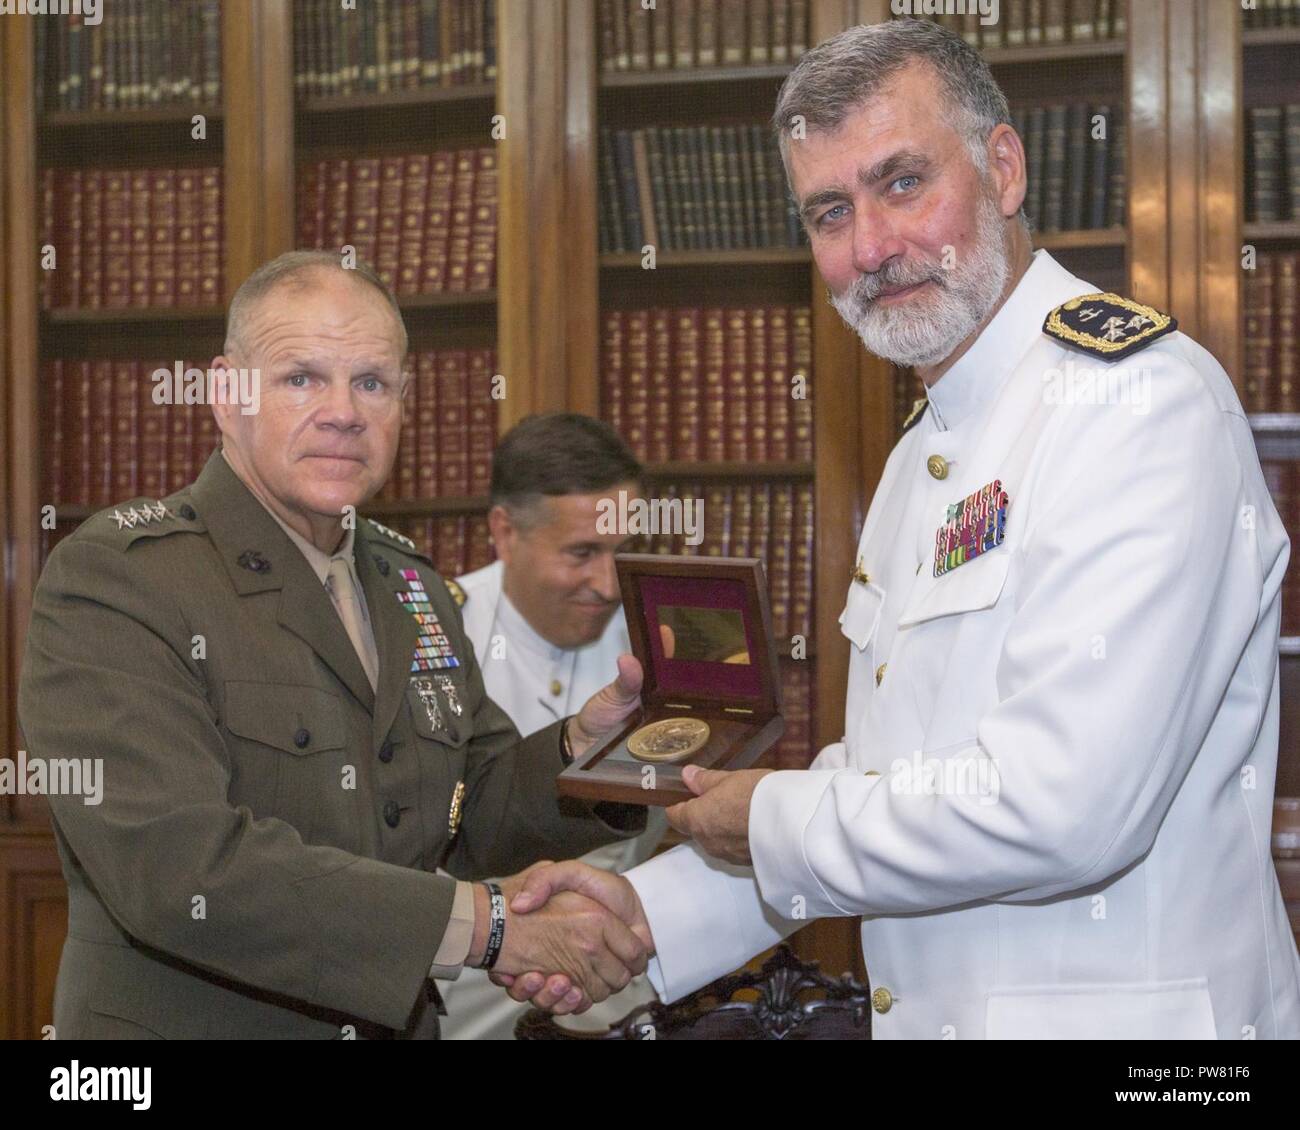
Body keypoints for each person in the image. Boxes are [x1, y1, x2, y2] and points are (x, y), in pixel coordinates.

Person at [500, 19, 1300, 1039]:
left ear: (1003, 168)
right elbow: (892, 791)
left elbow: (1063, 803)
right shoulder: (921, 452)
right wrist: (650, 913)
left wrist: (770, 816)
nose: (871, 246)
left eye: (903, 182)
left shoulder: (1138, 405)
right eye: (830, 210)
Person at [19, 250, 650, 1039]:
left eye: (373, 383)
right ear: (226, 394)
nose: (344, 411)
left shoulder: (407, 581)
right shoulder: (120, 577)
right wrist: (485, 927)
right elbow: (180, 869)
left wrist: (590, 753)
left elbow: (469, 805)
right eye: (301, 378)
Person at [439, 413, 666, 1039]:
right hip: (468, 990)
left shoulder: (661, 641)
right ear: (505, 533)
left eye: (623, 551)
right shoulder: (433, 637)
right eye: (582, 554)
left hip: (618, 989)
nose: (608, 584)